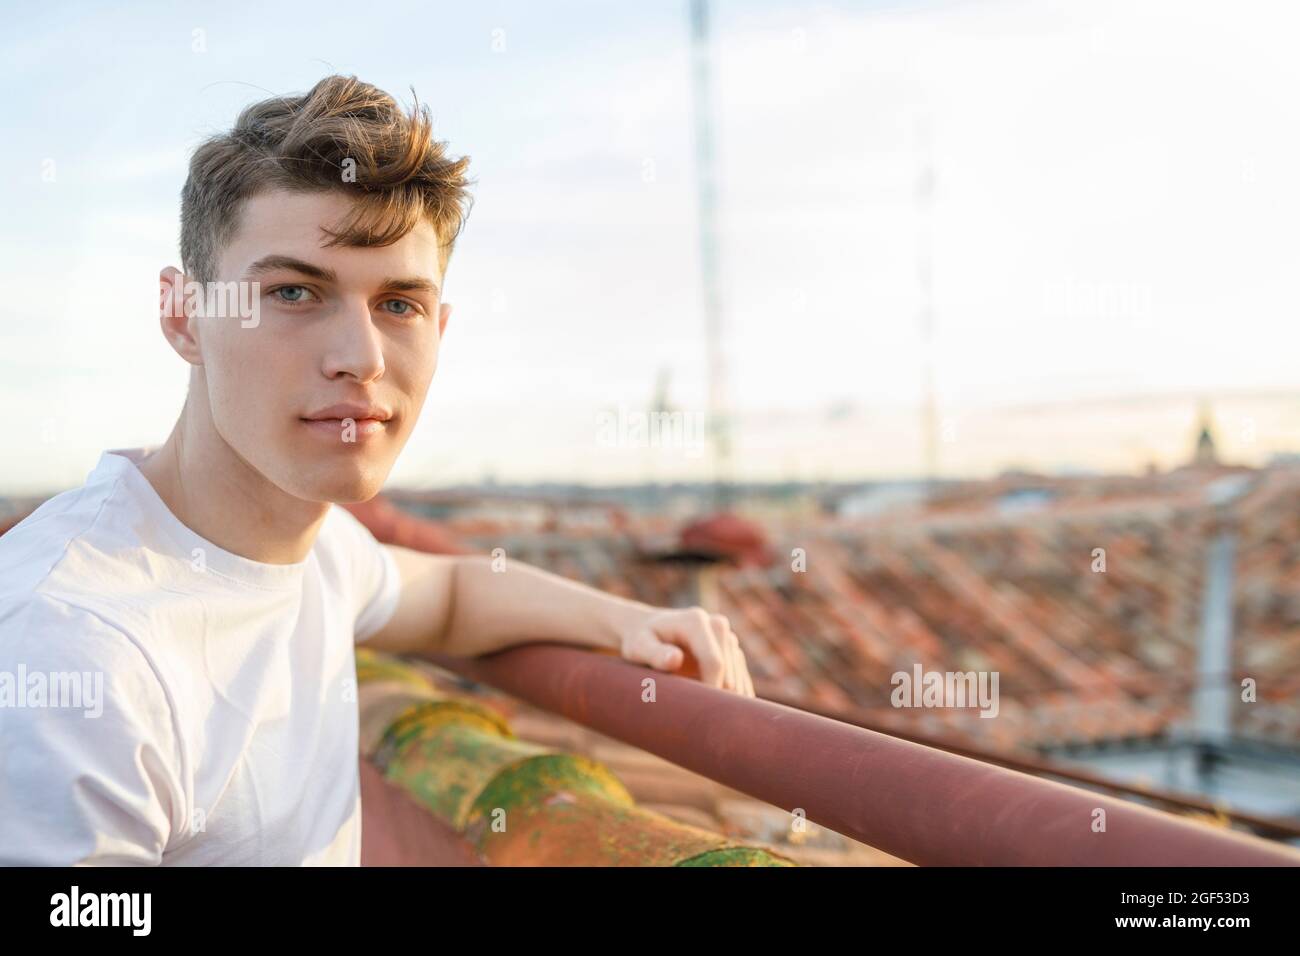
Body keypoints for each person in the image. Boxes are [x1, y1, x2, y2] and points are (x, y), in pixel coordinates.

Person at [0, 74, 753, 866]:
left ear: (441, 327)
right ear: (184, 314)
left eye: (400, 305)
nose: (360, 359)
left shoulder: (311, 550)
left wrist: (630, 624)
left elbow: (454, 593)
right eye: (293, 291)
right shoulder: (73, 650)